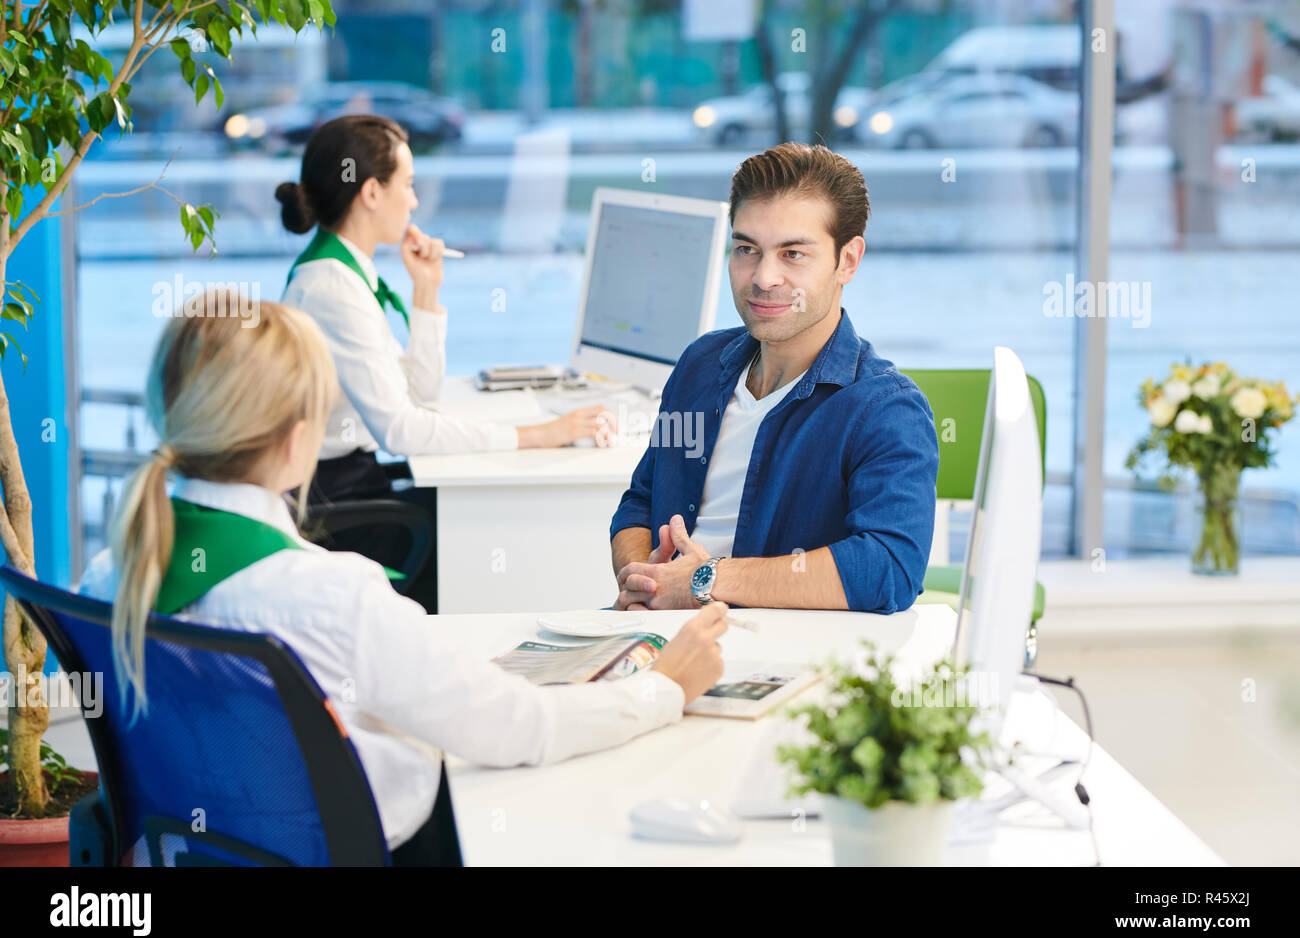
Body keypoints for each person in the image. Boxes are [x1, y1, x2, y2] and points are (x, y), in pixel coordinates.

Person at [78, 291, 729, 866]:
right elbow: (519, 730)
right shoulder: (329, 594)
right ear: (295, 441)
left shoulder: (107, 579)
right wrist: (664, 687)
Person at [275, 115, 612, 604]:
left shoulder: (344, 274)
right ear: (371, 192)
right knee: (486, 525)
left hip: (353, 486)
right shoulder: (332, 287)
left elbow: (419, 392)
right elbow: (401, 429)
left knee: (481, 511)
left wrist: (427, 289)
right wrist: (539, 435)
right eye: (407, 185)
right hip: (337, 509)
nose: (413, 201)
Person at [609, 143, 939, 614]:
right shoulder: (700, 366)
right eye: (747, 249)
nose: (763, 277)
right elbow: (641, 503)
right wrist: (647, 581)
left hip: (768, 656)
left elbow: (889, 568)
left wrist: (706, 581)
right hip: (653, 628)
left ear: (847, 260)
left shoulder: (885, 409)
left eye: (793, 254)